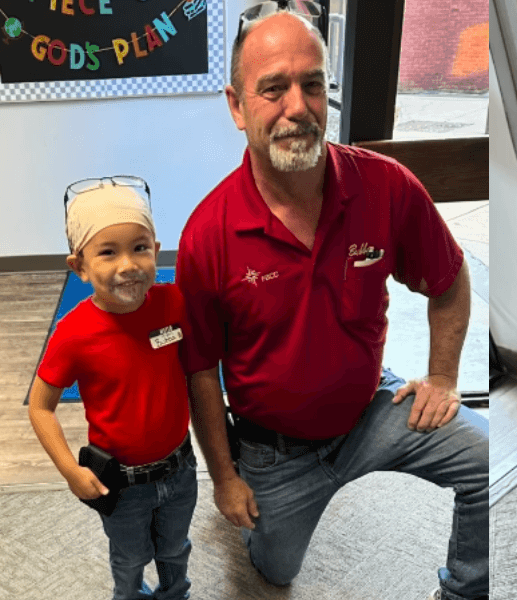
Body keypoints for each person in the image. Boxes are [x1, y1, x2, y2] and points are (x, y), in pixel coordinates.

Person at [174, 5, 488, 600]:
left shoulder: (386, 186)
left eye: (312, 84)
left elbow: (448, 280)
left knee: (487, 463)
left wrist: (444, 377)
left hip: (373, 408)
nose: (297, 106)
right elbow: (198, 371)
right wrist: (223, 478)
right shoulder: (207, 235)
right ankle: (256, 519)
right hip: (276, 449)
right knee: (276, 572)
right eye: (273, 90)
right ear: (237, 107)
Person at [28, 177, 197, 600]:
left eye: (140, 247)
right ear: (79, 267)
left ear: (156, 252)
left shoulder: (174, 303)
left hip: (180, 469)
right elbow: (40, 407)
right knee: (129, 556)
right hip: (120, 485)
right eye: (107, 252)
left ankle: (175, 594)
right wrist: (70, 470)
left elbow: (207, 362)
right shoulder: (73, 334)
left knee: (175, 548)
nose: (128, 264)